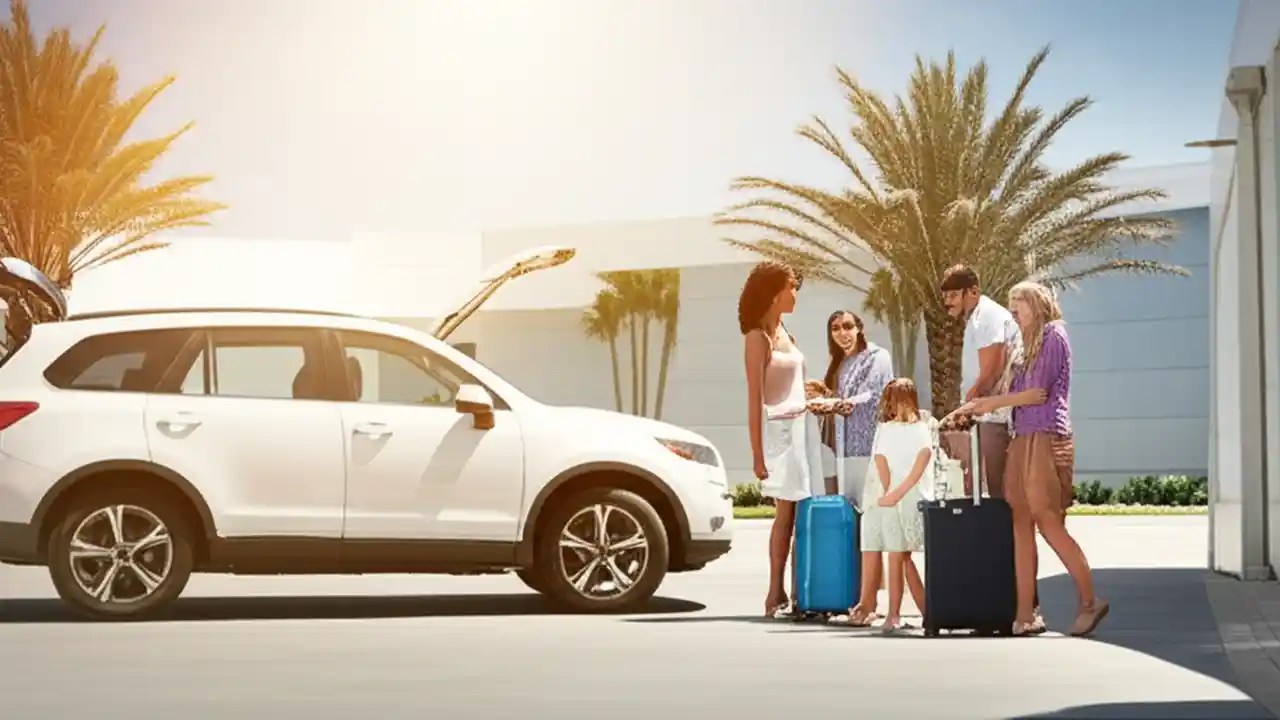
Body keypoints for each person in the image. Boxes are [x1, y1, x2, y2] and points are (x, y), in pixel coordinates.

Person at [958, 281, 1109, 637]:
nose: (1013, 308)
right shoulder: (1024, 345)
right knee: (1019, 520)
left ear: (1037, 303)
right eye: (1010, 302)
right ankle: (1025, 613)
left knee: (1047, 519)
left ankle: (1090, 601)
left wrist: (992, 404)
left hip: (1046, 436)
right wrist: (978, 403)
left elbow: (1038, 393)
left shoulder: (1053, 335)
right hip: (1023, 437)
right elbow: (1013, 392)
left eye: (1019, 301)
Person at [939, 263, 1046, 628]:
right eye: (946, 296)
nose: (948, 303)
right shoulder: (985, 317)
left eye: (953, 295)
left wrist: (967, 406)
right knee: (1000, 508)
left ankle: (1019, 603)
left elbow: (992, 368)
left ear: (972, 290)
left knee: (998, 508)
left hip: (994, 423)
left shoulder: (985, 316)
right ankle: (1014, 599)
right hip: (994, 420)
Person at [810, 310, 921, 628]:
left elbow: (876, 394)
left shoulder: (878, 356)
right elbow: (842, 400)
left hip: (874, 451)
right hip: (847, 453)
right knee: (863, 528)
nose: (842, 332)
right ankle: (866, 601)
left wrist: (845, 404)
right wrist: (827, 398)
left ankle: (875, 605)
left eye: (847, 326)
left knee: (879, 527)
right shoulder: (840, 365)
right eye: (835, 328)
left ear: (859, 328)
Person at [739, 260, 815, 618]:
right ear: (774, 293)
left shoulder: (787, 332)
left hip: (803, 429)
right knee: (786, 514)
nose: (795, 293)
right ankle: (774, 592)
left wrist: (819, 394)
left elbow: (798, 383)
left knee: (804, 513)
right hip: (779, 432)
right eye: (791, 287)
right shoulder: (758, 337)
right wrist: (757, 455)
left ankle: (802, 590)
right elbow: (755, 397)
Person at [859, 377, 931, 634]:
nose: (893, 407)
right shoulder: (885, 429)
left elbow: (921, 463)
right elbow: (880, 460)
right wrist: (889, 492)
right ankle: (899, 613)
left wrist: (898, 493)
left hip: (912, 498)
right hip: (891, 499)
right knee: (897, 554)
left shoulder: (922, 428)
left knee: (902, 555)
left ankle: (918, 612)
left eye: (897, 401)